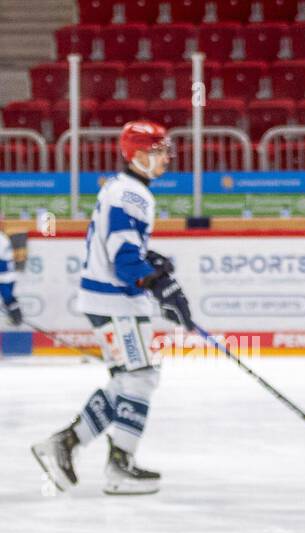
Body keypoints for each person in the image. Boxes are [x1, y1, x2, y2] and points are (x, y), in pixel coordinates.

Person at [30, 120, 194, 496]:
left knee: (127, 378)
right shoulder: (131, 195)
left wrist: (153, 267)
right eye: (157, 151)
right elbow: (123, 258)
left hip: (110, 302)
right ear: (137, 155)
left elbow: (125, 247)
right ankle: (119, 466)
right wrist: (158, 284)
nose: (165, 157)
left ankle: (66, 444)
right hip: (116, 304)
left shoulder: (123, 189)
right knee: (140, 378)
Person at [0, 226, 21, 328]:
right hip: (8, 275)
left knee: (7, 297)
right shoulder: (2, 237)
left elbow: (2, 261)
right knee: (8, 298)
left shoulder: (1, 239)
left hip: (5, 276)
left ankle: (16, 316)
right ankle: (15, 315)